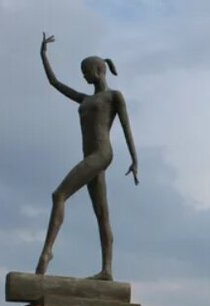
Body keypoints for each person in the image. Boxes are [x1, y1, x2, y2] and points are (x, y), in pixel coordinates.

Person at [35, 33, 139, 281]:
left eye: (86, 71)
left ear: (98, 70)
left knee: (59, 194)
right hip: (91, 156)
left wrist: (135, 159)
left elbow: (126, 127)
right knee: (102, 214)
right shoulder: (85, 98)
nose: (83, 75)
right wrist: (43, 55)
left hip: (102, 154)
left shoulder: (114, 97)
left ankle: (47, 253)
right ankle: (107, 271)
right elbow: (55, 82)